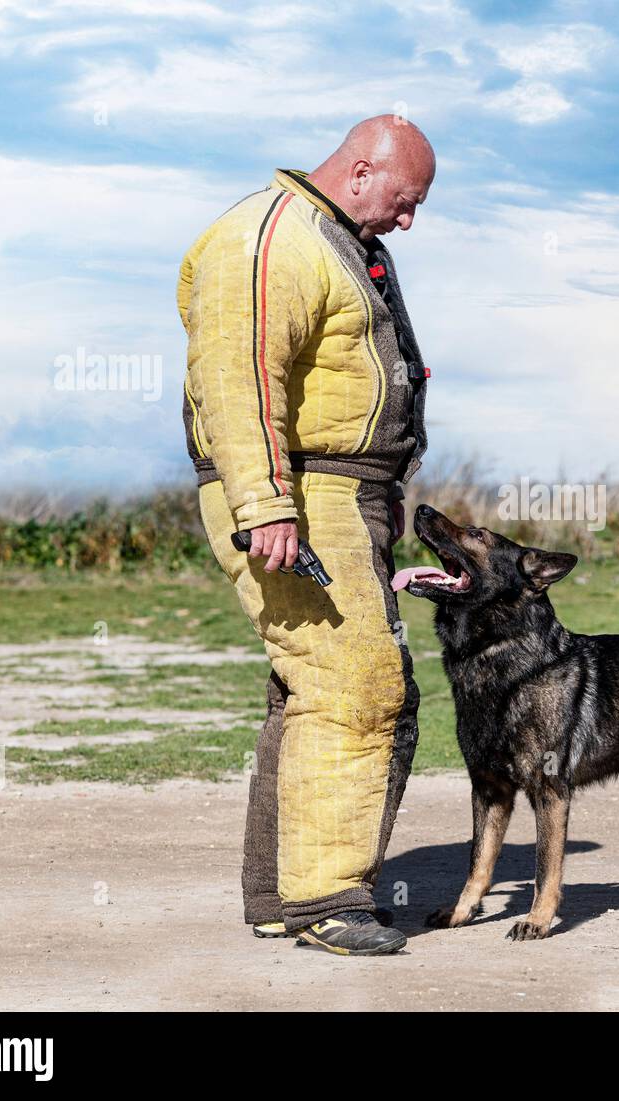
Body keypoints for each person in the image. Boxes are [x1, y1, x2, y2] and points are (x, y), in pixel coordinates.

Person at [177, 115, 435, 956]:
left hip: (340, 495)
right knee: (356, 687)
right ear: (360, 171)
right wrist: (266, 505)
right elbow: (236, 369)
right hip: (298, 494)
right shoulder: (267, 238)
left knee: (310, 689)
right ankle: (326, 898)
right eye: (403, 201)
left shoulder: (335, 236)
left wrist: (387, 488)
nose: (407, 221)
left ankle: (278, 894)